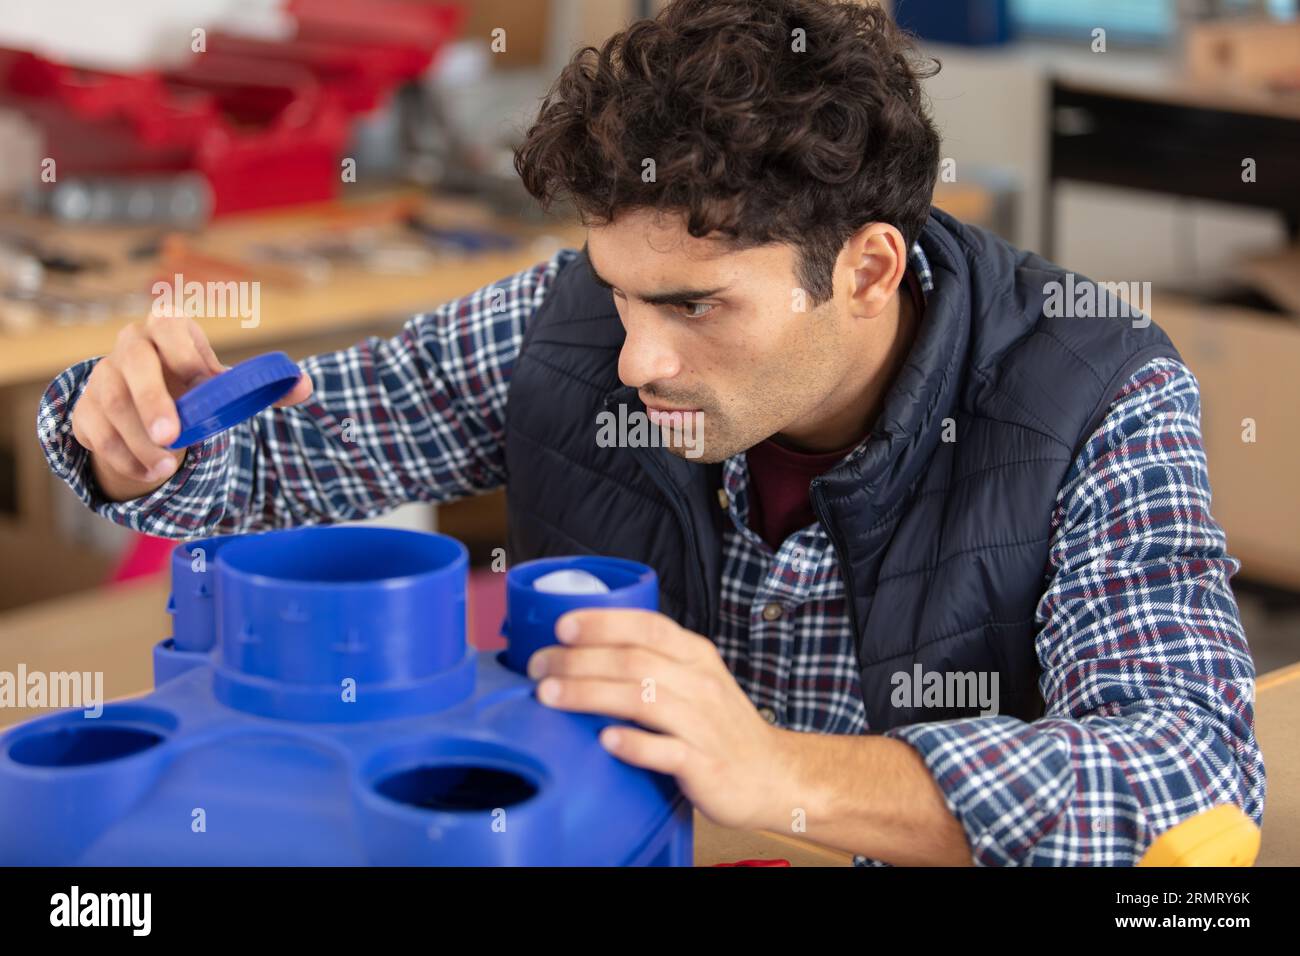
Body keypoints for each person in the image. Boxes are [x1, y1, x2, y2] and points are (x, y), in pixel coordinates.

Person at [36, 0, 1262, 865]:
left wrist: (782, 768)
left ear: (869, 269)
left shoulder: (1094, 392)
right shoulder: (563, 324)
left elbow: (1187, 773)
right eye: (617, 289)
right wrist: (131, 429)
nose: (637, 358)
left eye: (692, 304)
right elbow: (275, 454)